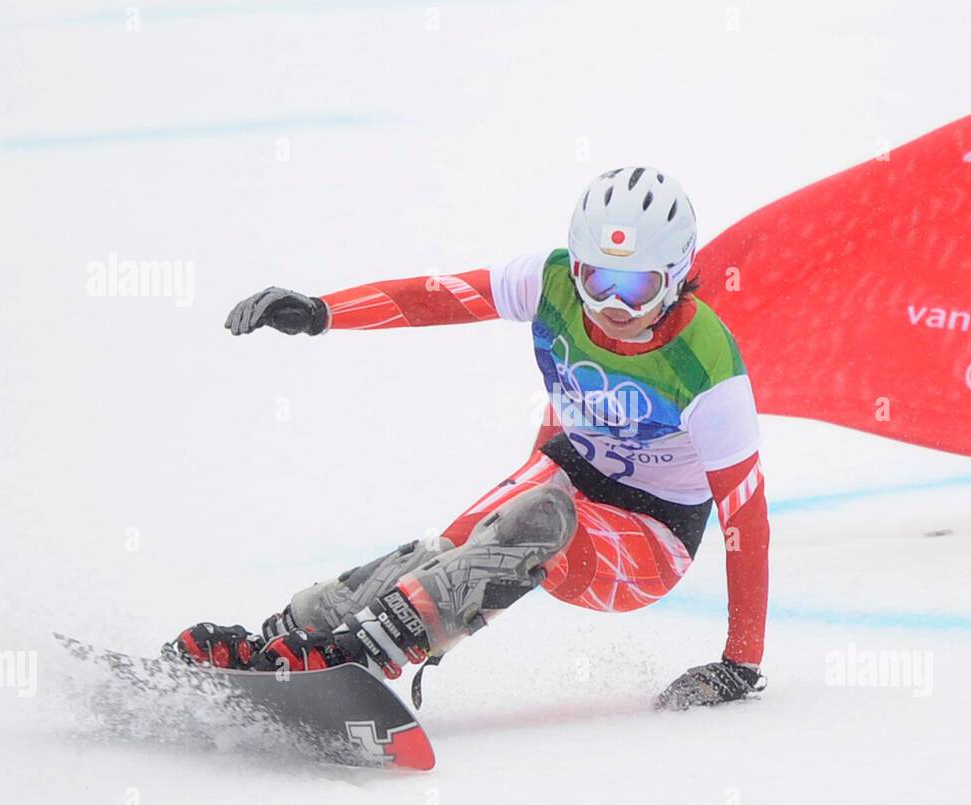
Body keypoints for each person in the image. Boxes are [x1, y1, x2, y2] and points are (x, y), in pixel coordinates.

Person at [169, 167, 769, 710]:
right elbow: (436, 298)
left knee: (537, 519)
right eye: (597, 279)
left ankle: (364, 652)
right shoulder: (551, 280)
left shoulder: (708, 366)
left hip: (652, 533)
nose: (611, 304)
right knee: (447, 550)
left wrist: (740, 663)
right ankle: (285, 640)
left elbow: (746, 517)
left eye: (635, 288)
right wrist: (323, 310)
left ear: (677, 276)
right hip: (572, 471)